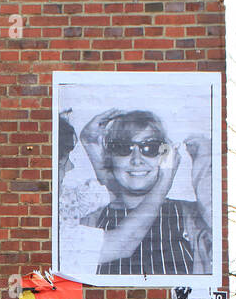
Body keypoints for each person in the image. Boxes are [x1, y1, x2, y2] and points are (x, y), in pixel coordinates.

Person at [67, 108, 213, 276]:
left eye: (150, 148)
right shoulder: (89, 222)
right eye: (123, 148)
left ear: (166, 156)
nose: (136, 160)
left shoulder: (193, 218)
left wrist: (205, 156)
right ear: (110, 159)